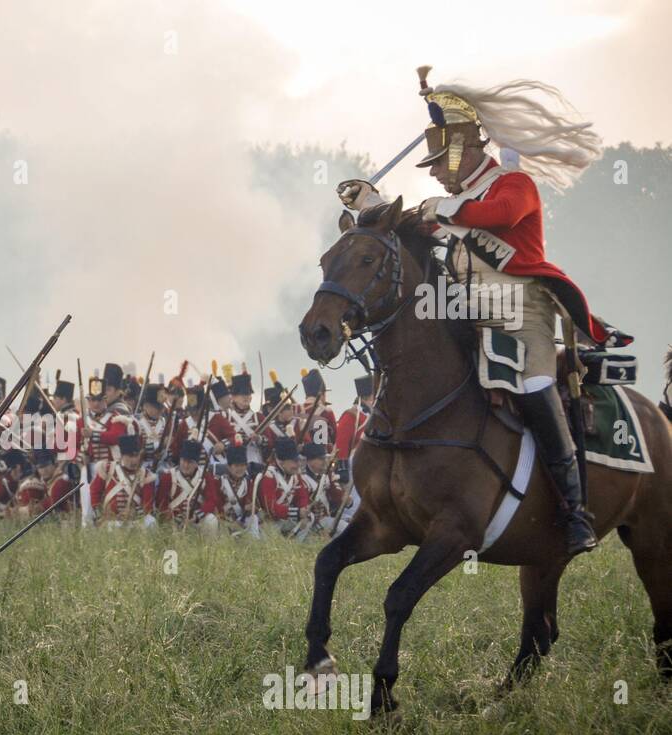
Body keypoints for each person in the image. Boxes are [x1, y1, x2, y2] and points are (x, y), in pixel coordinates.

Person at [340, 77, 630, 556]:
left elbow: (499, 214)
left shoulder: (512, 185)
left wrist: (445, 207)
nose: (435, 174)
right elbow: (407, 225)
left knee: (536, 389)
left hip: (523, 315)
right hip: (468, 316)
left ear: (461, 152)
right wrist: (370, 202)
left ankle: (575, 512)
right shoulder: (450, 206)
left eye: (439, 163)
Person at [90, 433, 156, 527]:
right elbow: (95, 493)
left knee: (151, 522)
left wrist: (134, 513)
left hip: (135, 521)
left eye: (136, 456)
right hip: (111, 520)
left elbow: (147, 504)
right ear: (122, 455)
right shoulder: (108, 469)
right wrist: (101, 514)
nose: (134, 460)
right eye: (129, 456)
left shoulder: (145, 475)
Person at [156, 438, 219, 529]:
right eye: (184, 460)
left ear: (196, 463)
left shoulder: (205, 476)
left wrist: (197, 515)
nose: (185, 465)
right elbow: (161, 503)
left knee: (211, 520)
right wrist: (172, 517)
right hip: (174, 520)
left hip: (197, 520)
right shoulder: (168, 477)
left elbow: (211, 500)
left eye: (190, 462)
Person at [258, 437, 309, 537]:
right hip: (269, 521)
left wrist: (304, 509)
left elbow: (302, 496)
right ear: (281, 461)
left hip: (286, 518)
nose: (298, 465)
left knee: (308, 519)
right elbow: (270, 509)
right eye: (294, 461)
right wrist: (297, 512)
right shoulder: (268, 476)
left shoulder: (295, 475)